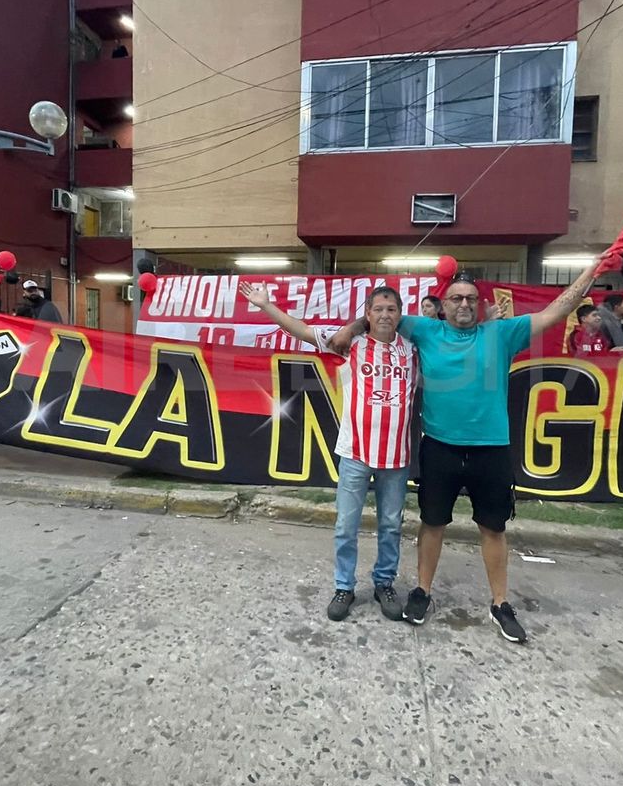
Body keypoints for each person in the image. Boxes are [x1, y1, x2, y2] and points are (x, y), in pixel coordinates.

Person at [331, 260, 601, 643]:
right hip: (439, 447)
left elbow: (556, 311)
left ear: (480, 303)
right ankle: (422, 592)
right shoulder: (424, 328)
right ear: (443, 303)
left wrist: (590, 274)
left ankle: (500, 603)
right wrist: (351, 327)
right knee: (432, 523)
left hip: (490, 448)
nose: (463, 304)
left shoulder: (502, 332)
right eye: (456, 298)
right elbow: (380, 317)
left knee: (493, 527)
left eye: (471, 299)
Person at [241, 281, 417, 622]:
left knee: (391, 525)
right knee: (345, 525)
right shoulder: (349, 345)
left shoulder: (413, 350)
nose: (384, 314)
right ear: (367, 315)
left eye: (391, 309)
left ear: (400, 315)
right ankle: (344, 587)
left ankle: (384, 583)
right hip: (355, 452)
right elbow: (301, 330)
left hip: (396, 456)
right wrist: (266, 305)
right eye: (377, 309)